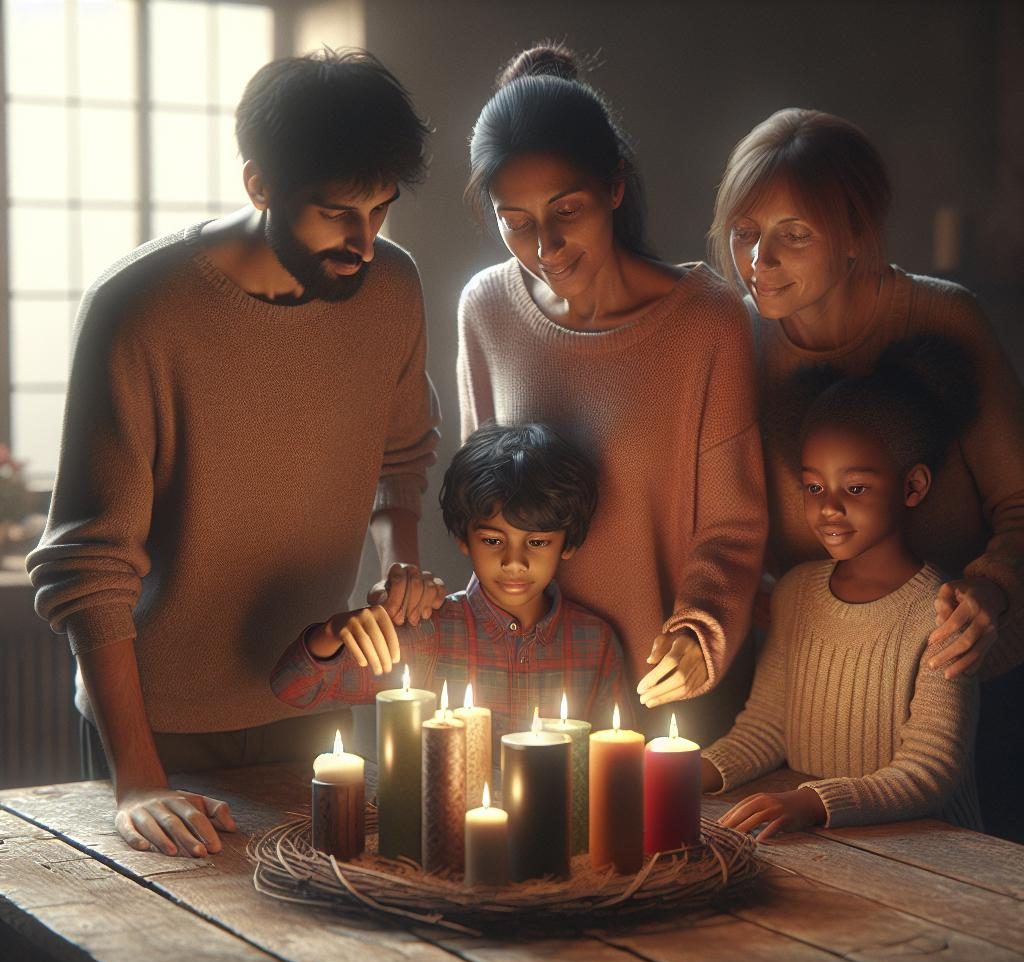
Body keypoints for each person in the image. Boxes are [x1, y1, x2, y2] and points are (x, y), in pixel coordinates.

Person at [27, 49, 443, 859]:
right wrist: (139, 780)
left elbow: (402, 455)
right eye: (334, 213)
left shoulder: (393, 287)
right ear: (260, 186)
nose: (363, 242)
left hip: (315, 696)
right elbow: (88, 565)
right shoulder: (139, 308)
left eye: (381, 210)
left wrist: (400, 565)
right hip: (158, 725)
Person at [708, 107, 1024, 837]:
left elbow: (1019, 500)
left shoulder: (945, 321)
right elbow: (720, 510)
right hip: (823, 696)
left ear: (855, 235)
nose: (760, 261)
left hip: (965, 666)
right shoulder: (734, 342)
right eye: (746, 233)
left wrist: (992, 589)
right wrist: (762, 599)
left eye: (794, 235)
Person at [458, 44, 766, 742]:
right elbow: (480, 505)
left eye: (567, 210)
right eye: (516, 221)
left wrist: (702, 633)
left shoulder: (707, 320)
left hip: (666, 697)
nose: (546, 245)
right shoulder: (487, 310)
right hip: (531, 697)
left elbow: (733, 527)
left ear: (615, 188)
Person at [705, 338, 983, 837]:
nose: (828, 508)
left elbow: (930, 771)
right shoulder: (795, 593)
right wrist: (683, 772)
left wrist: (811, 802)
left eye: (854, 488)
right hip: (831, 845)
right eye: (814, 487)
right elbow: (764, 728)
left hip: (932, 852)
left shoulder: (944, 610)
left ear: (913, 486)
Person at [272, 423, 627, 738]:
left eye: (537, 543)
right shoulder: (430, 633)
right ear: (463, 537)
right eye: (492, 541)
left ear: (568, 544)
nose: (513, 562)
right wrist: (333, 632)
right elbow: (293, 689)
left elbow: (617, 754)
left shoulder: (595, 642)